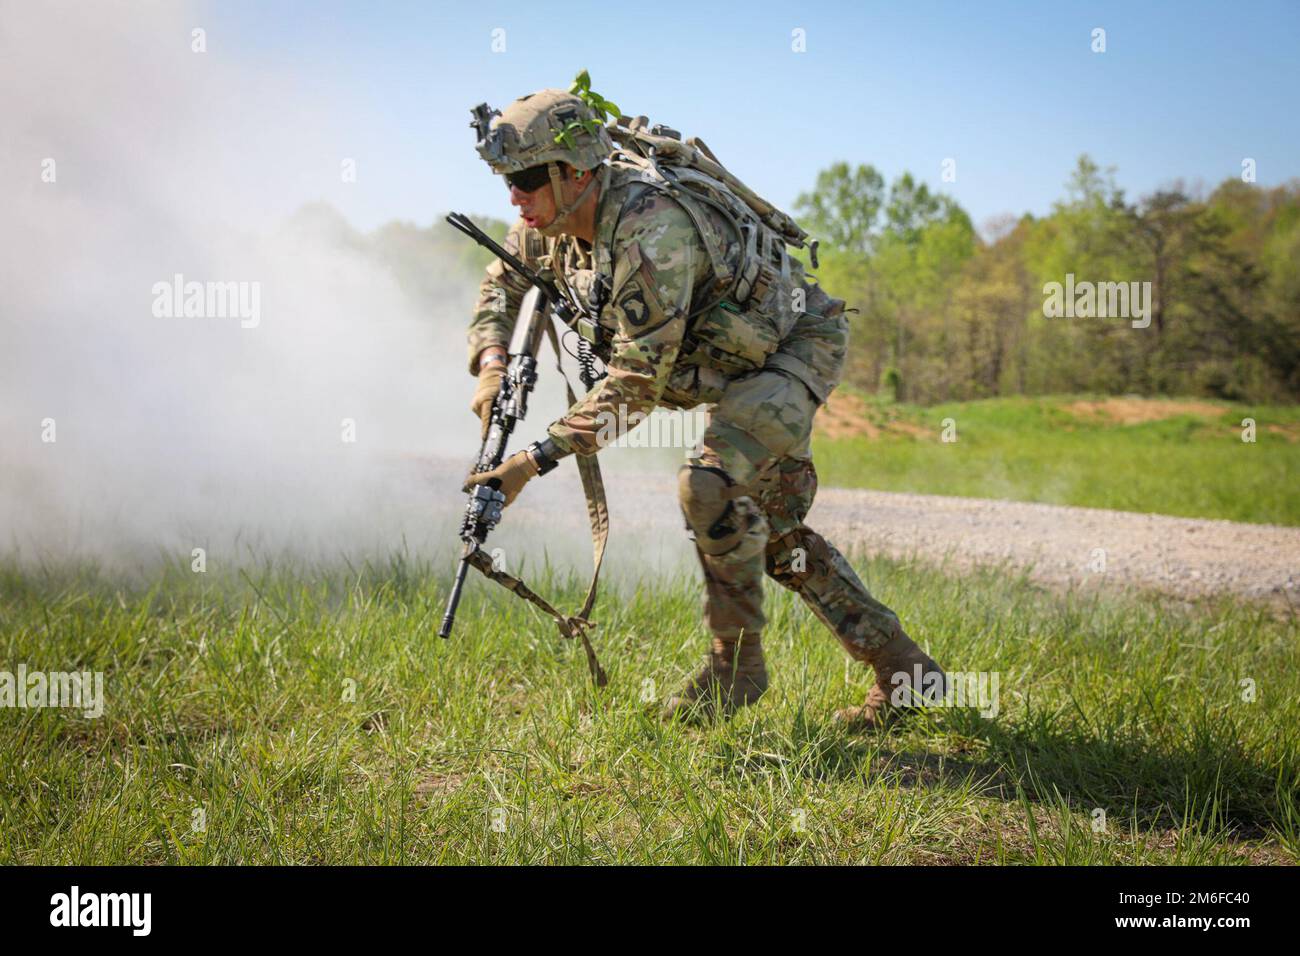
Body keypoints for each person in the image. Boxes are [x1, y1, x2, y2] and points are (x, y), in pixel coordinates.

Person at [462, 87, 945, 727]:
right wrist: (491, 365)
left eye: (525, 178)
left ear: (574, 171)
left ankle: (734, 669)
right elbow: (504, 281)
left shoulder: (650, 230)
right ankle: (909, 674)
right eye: (505, 180)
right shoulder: (548, 227)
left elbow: (635, 384)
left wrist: (532, 461)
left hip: (792, 350)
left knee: (708, 487)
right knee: (771, 539)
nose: (513, 197)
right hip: (733, 369)